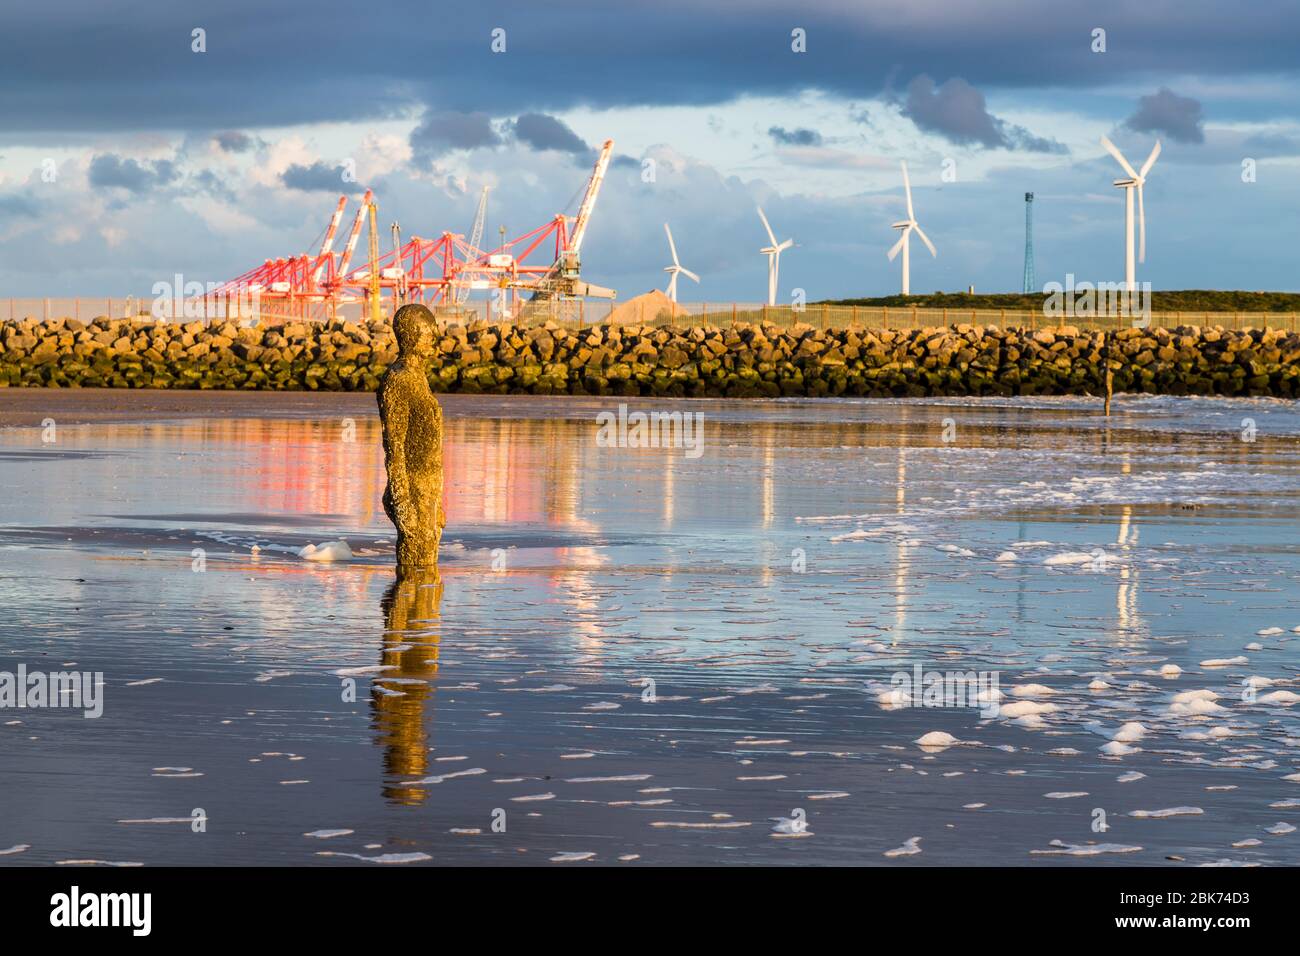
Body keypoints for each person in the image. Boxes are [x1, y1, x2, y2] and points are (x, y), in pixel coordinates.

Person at [378, 303, 446, 570]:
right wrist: (402, 503)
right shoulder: (398, 379)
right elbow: (393, 447)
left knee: (429, 576)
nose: (433, 337)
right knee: (414, 568)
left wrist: (437, 501)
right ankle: (400, 609)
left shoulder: (418, 377)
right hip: (411, 489)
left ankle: (419, 611)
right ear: (409, 335)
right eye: (427, 331)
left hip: (428, 488)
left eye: (433, 330)